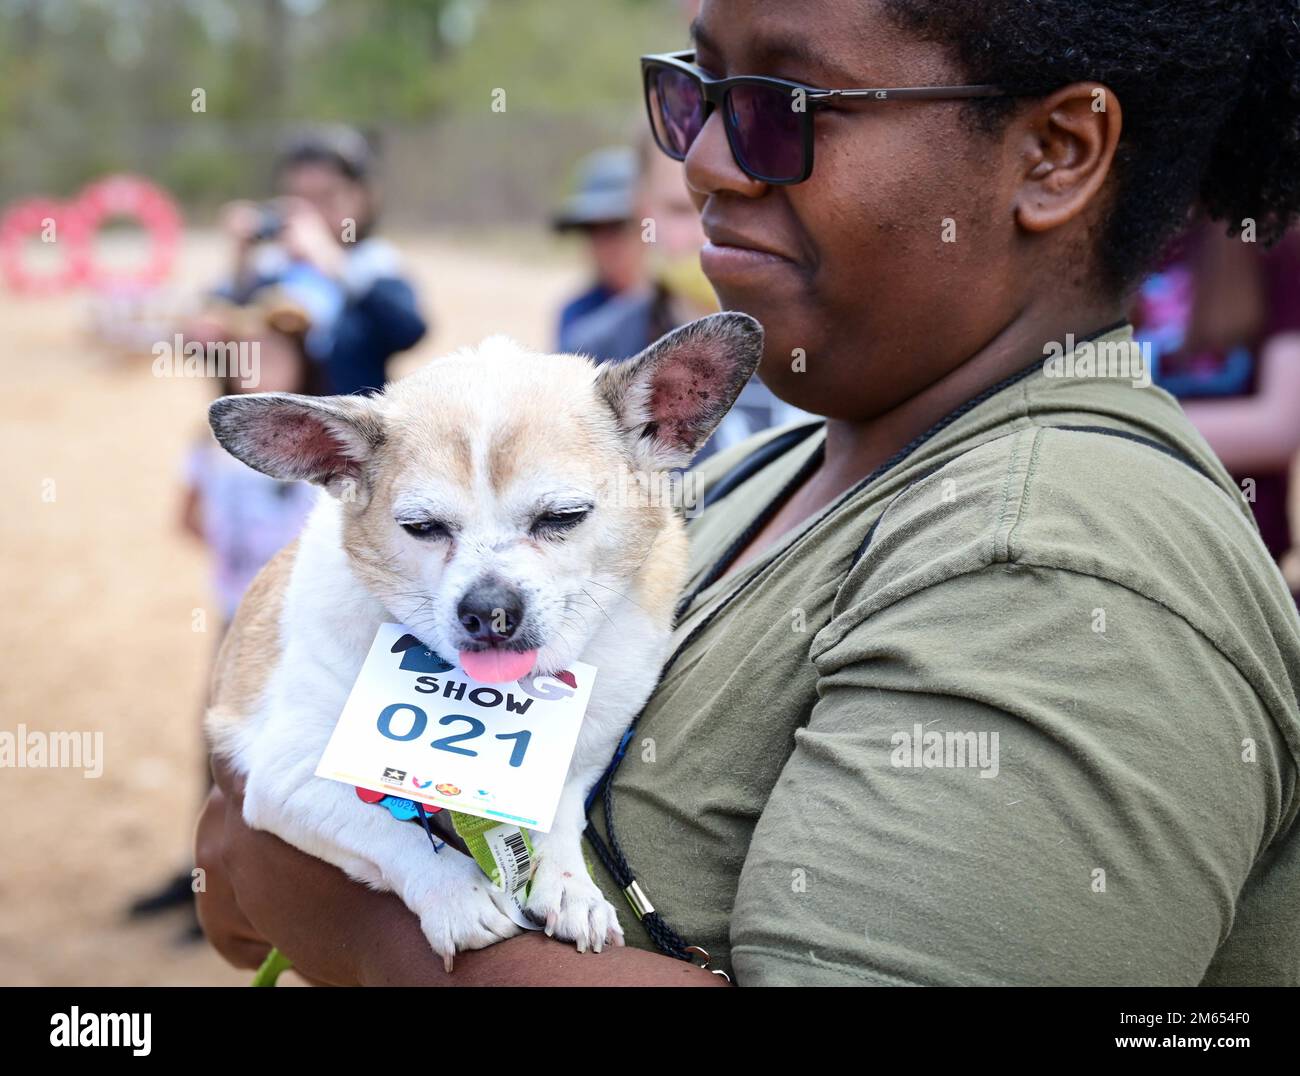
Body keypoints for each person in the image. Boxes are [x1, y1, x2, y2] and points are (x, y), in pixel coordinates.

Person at [197, 0, 1300, 986]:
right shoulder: (743, 478)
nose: (710, 162)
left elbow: (271, 881)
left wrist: (319, 894)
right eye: (691, 93)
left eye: (784, 99)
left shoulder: (1053, 567)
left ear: (1054, 152)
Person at [128, 289, 320, 935]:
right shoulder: (208, 443)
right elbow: (185, 516)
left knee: (265, 756)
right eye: (249, 355)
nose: (260, 365)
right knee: (212, 747)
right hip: (232, 620)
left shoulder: (310, 447)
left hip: (293, 630)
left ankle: (248, 896)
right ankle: (203, 875)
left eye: (275, 354)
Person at [568, 136, 815, 461]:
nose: (707, 231)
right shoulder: (597, 350)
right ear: (645, 215)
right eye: (683, 209)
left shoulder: (823, 349)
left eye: (728, 200)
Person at [1131, 220, 1300, 579]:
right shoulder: (1109, 243)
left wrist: (1120, 428)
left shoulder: (1272, 243)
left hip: (1238, 555)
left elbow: (1280, 427)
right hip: (1130, 541)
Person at [218, 126, 427, 395]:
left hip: (350, 424)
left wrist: (329, 260)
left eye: (326, 197)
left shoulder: (375, 262)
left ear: (362, 197)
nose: (310, 212)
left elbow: (408, 330)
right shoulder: (273, 264)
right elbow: (208, 339)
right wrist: (241, 258)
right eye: (298, 198)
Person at [552, 147, 646, 352]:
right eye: (592, 231)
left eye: (617, 228)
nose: (605, 246)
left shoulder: (678, 307)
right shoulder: (578, 315)